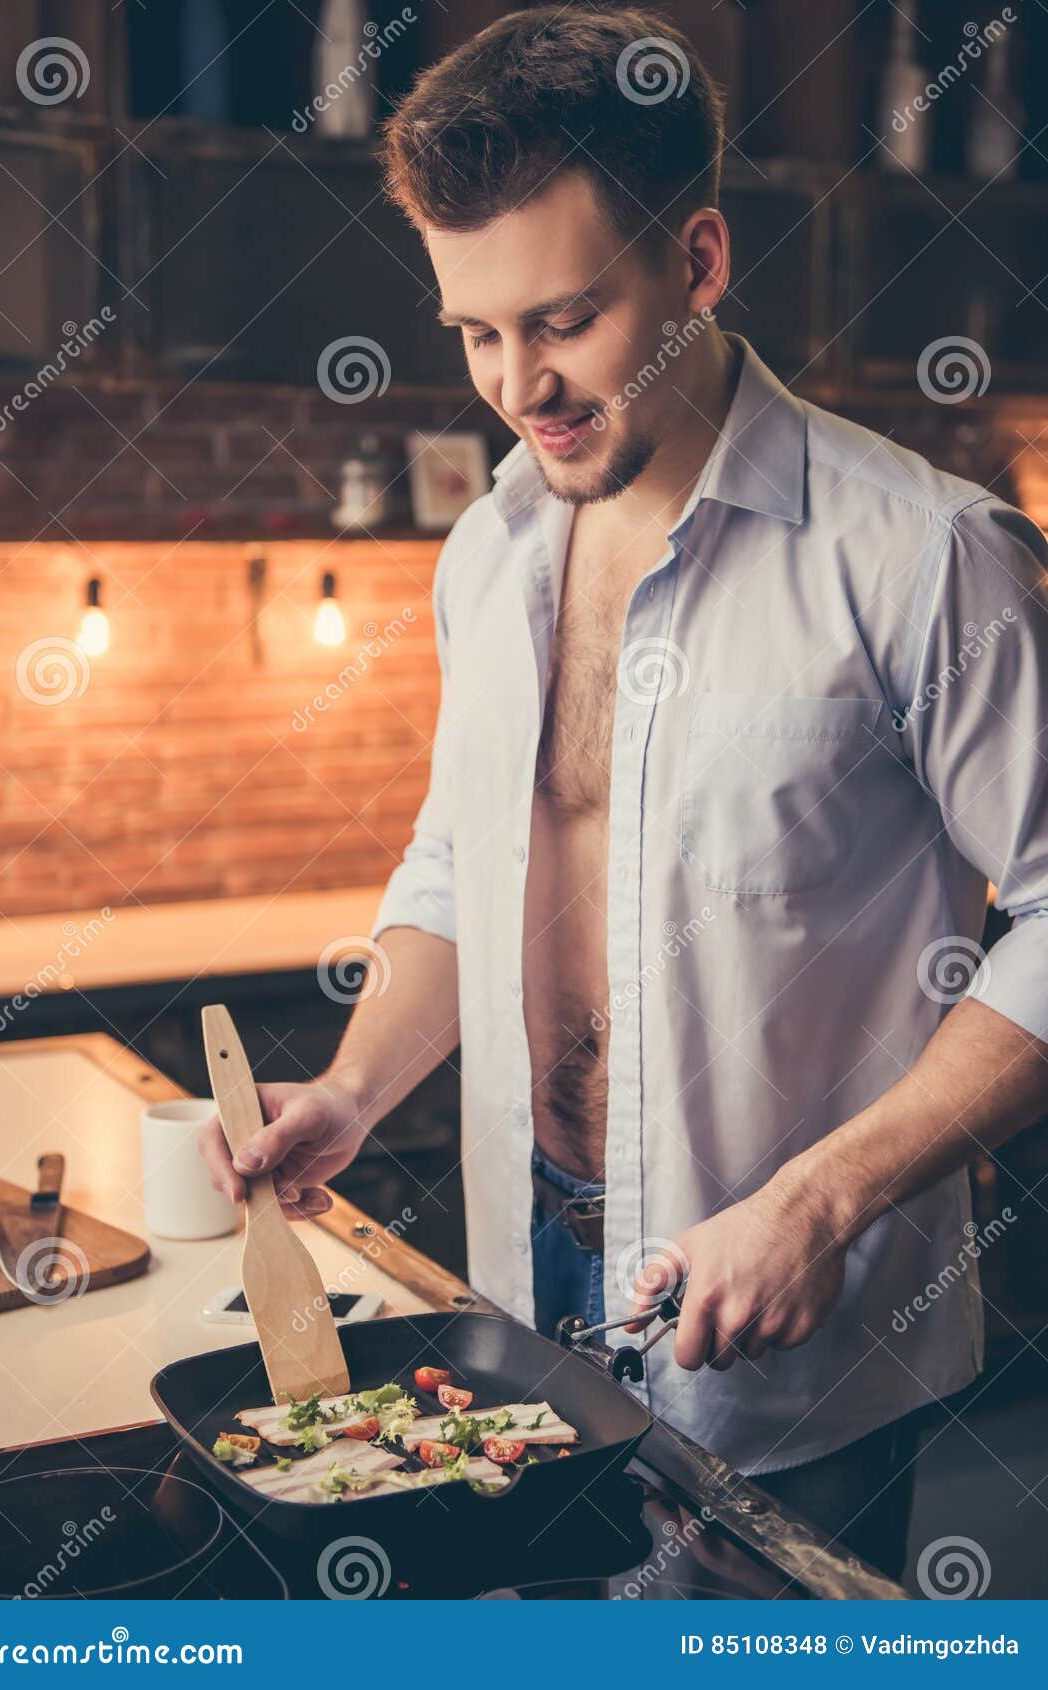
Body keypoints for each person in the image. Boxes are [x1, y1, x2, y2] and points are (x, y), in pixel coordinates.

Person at [201, 6, 1048, 1582]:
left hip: (799, 1342)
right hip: (520, 1307)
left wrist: (820, 1198)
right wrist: (355, 1087)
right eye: (472, 333)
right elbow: (463, 859)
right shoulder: (487, 551)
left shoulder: (923, 556)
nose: (518, 385)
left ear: (700, 264)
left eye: (564, 320)